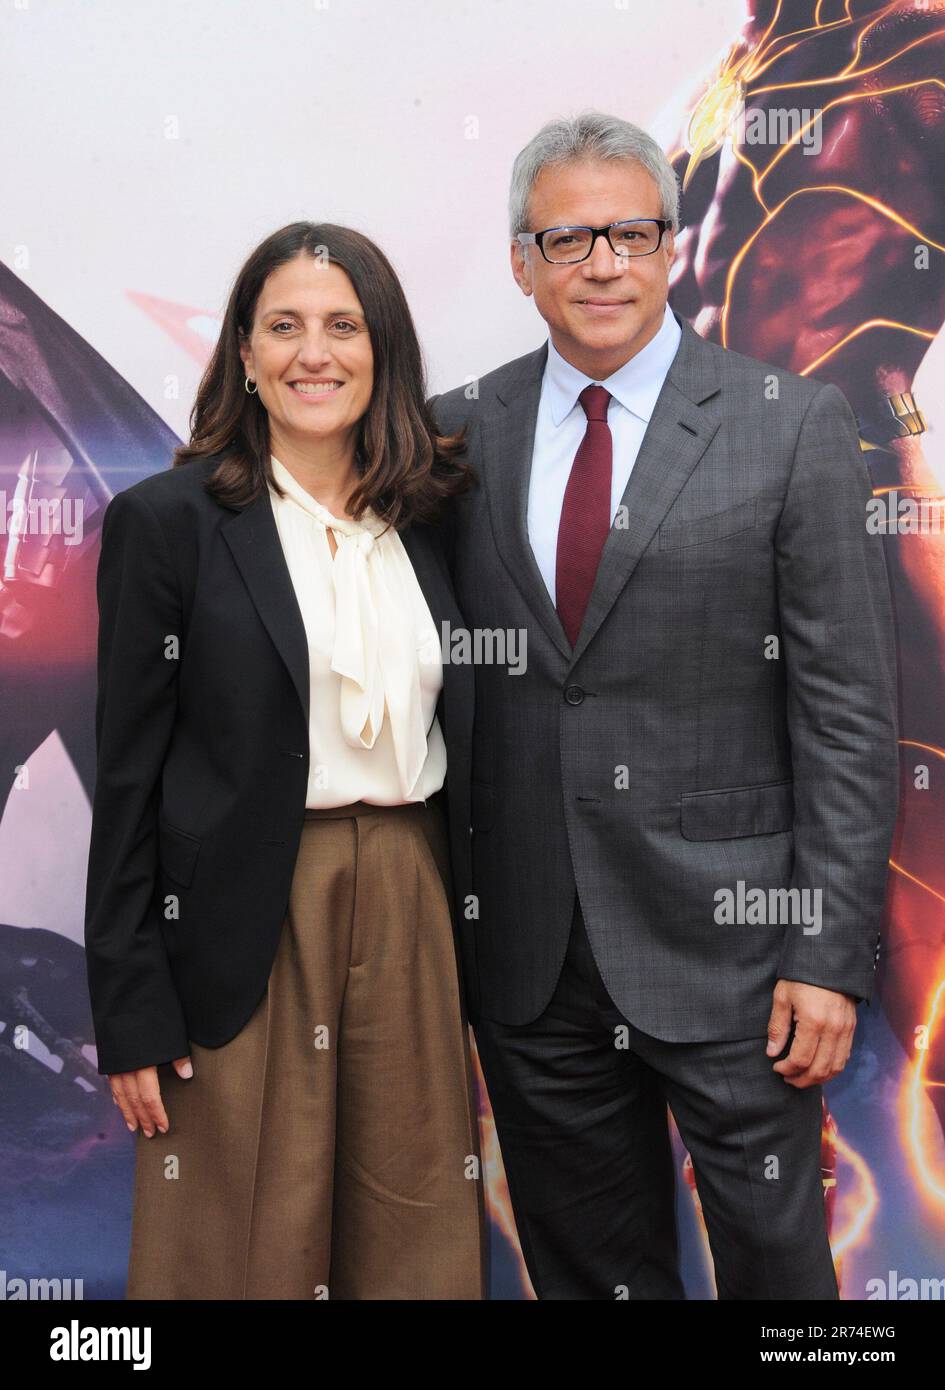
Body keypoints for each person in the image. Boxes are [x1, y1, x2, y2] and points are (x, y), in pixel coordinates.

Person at [429, 111, 899, 1300]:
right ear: (522, 261)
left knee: (785, 1284)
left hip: (741, 958)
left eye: (632, 233)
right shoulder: (453, 433)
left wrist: (830, 955)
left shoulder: (789, 426)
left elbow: (848, 716)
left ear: (670, 245)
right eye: (570, 238)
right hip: (533, 962)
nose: (604, 264)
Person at [84, 221, 486, 1300]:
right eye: (286, 326)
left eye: (344, 325)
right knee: (231, 1237)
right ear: (245, 355)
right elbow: (124, 780)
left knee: (414, 1228)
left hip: (411, 895)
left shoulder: (435, 516)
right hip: (234, 919)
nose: (316, 352)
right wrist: (128, 1005)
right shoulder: (167, 523)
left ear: (382, 350)